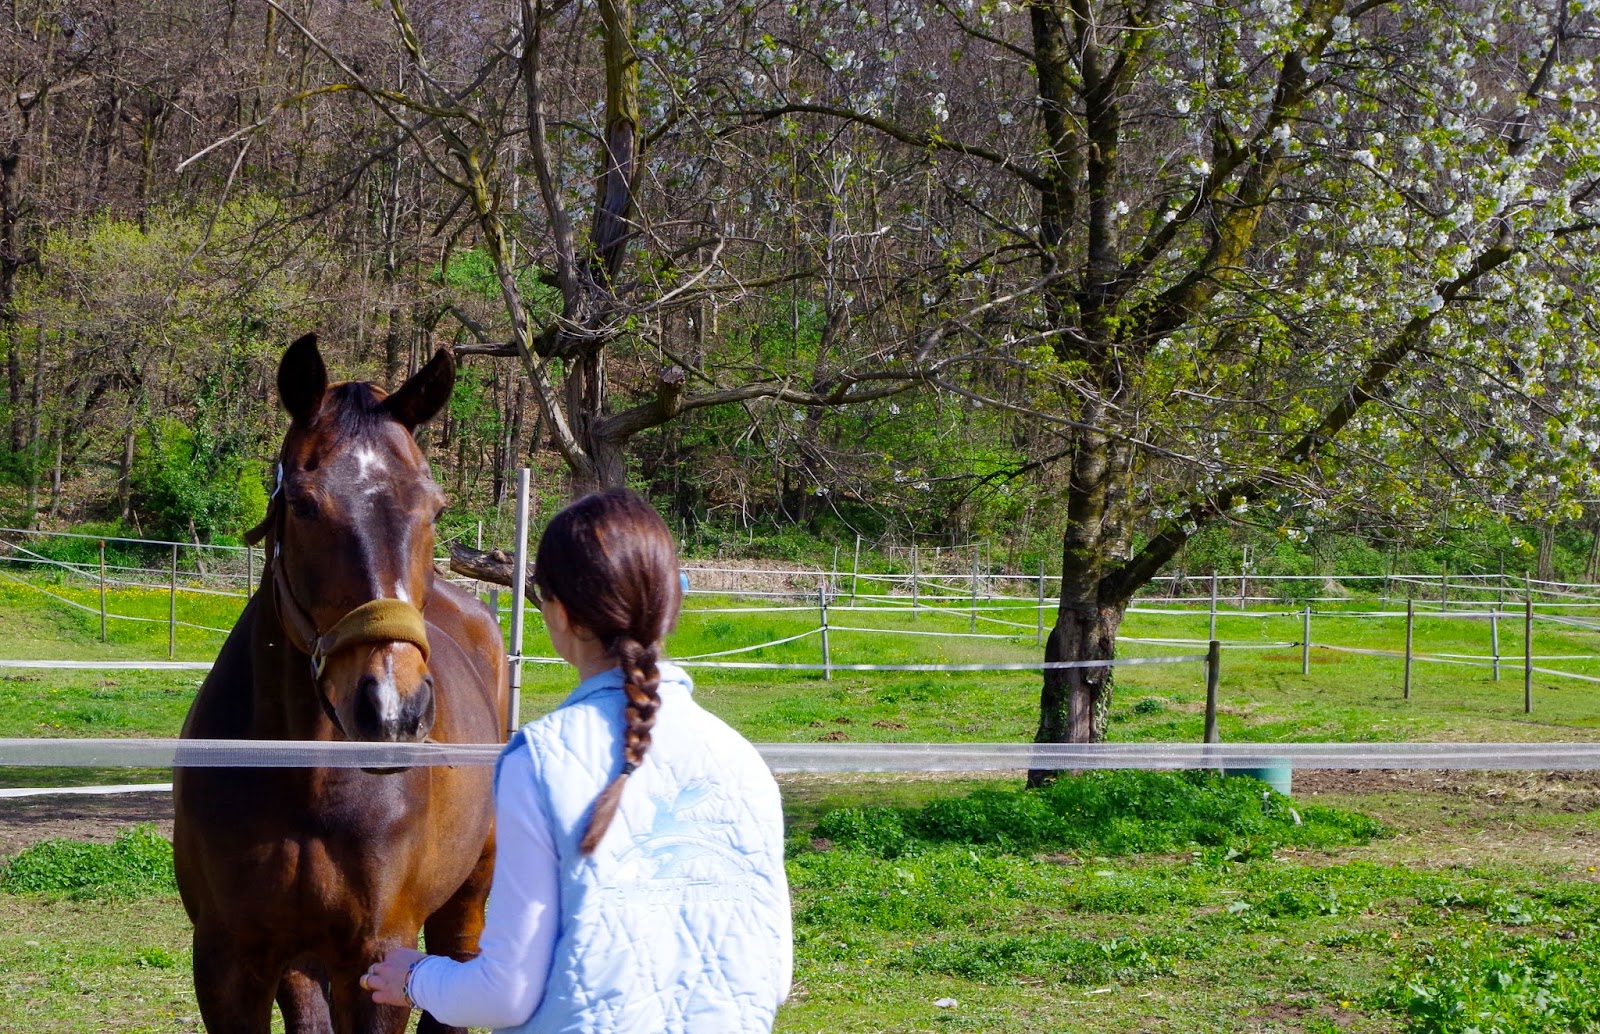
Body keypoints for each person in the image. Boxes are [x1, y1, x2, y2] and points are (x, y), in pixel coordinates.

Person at [363, 489, 792, 1031]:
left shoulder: (542, 759)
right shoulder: (743, 760)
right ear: (669, 607)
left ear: (557, 613)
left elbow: (505, 995)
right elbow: (771, 976)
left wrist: (414, 975)